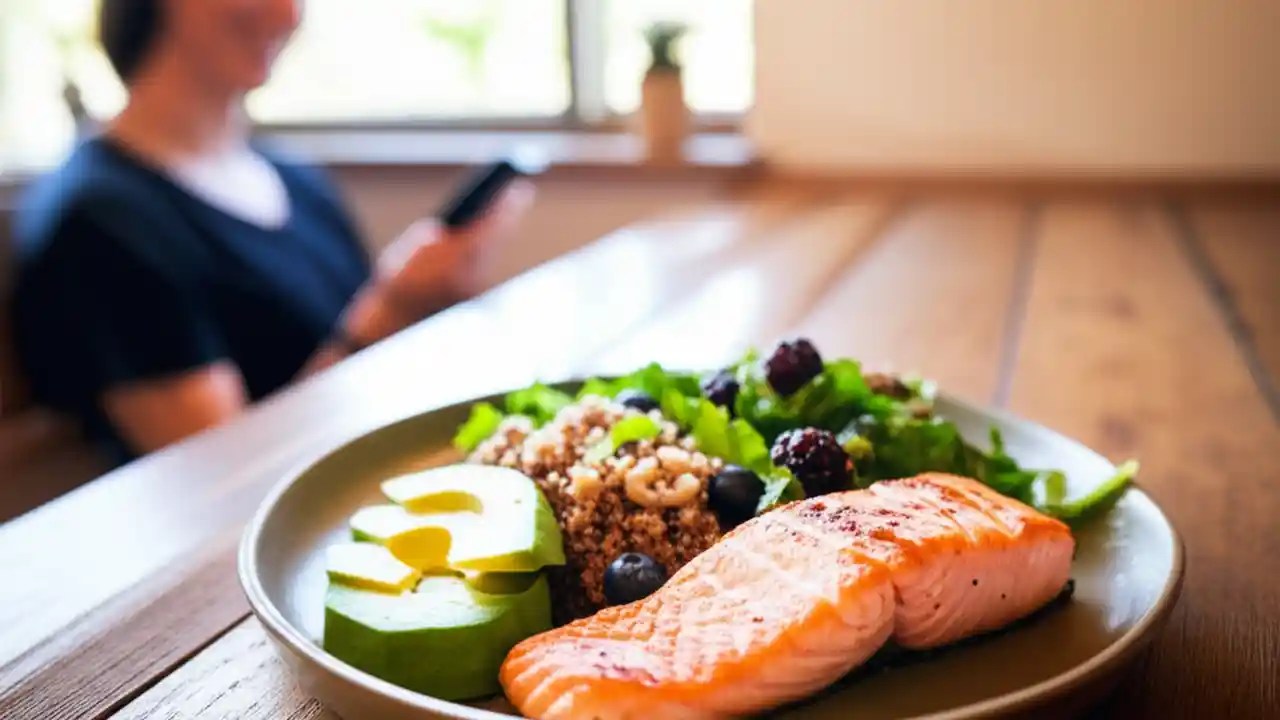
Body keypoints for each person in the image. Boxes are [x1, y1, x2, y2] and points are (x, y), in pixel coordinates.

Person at [11, 0, 531, 464]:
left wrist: (428, 301)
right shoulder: (98, 220)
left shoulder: (297, 179)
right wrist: (392, 307)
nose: (286, 13)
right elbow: (219, 474)